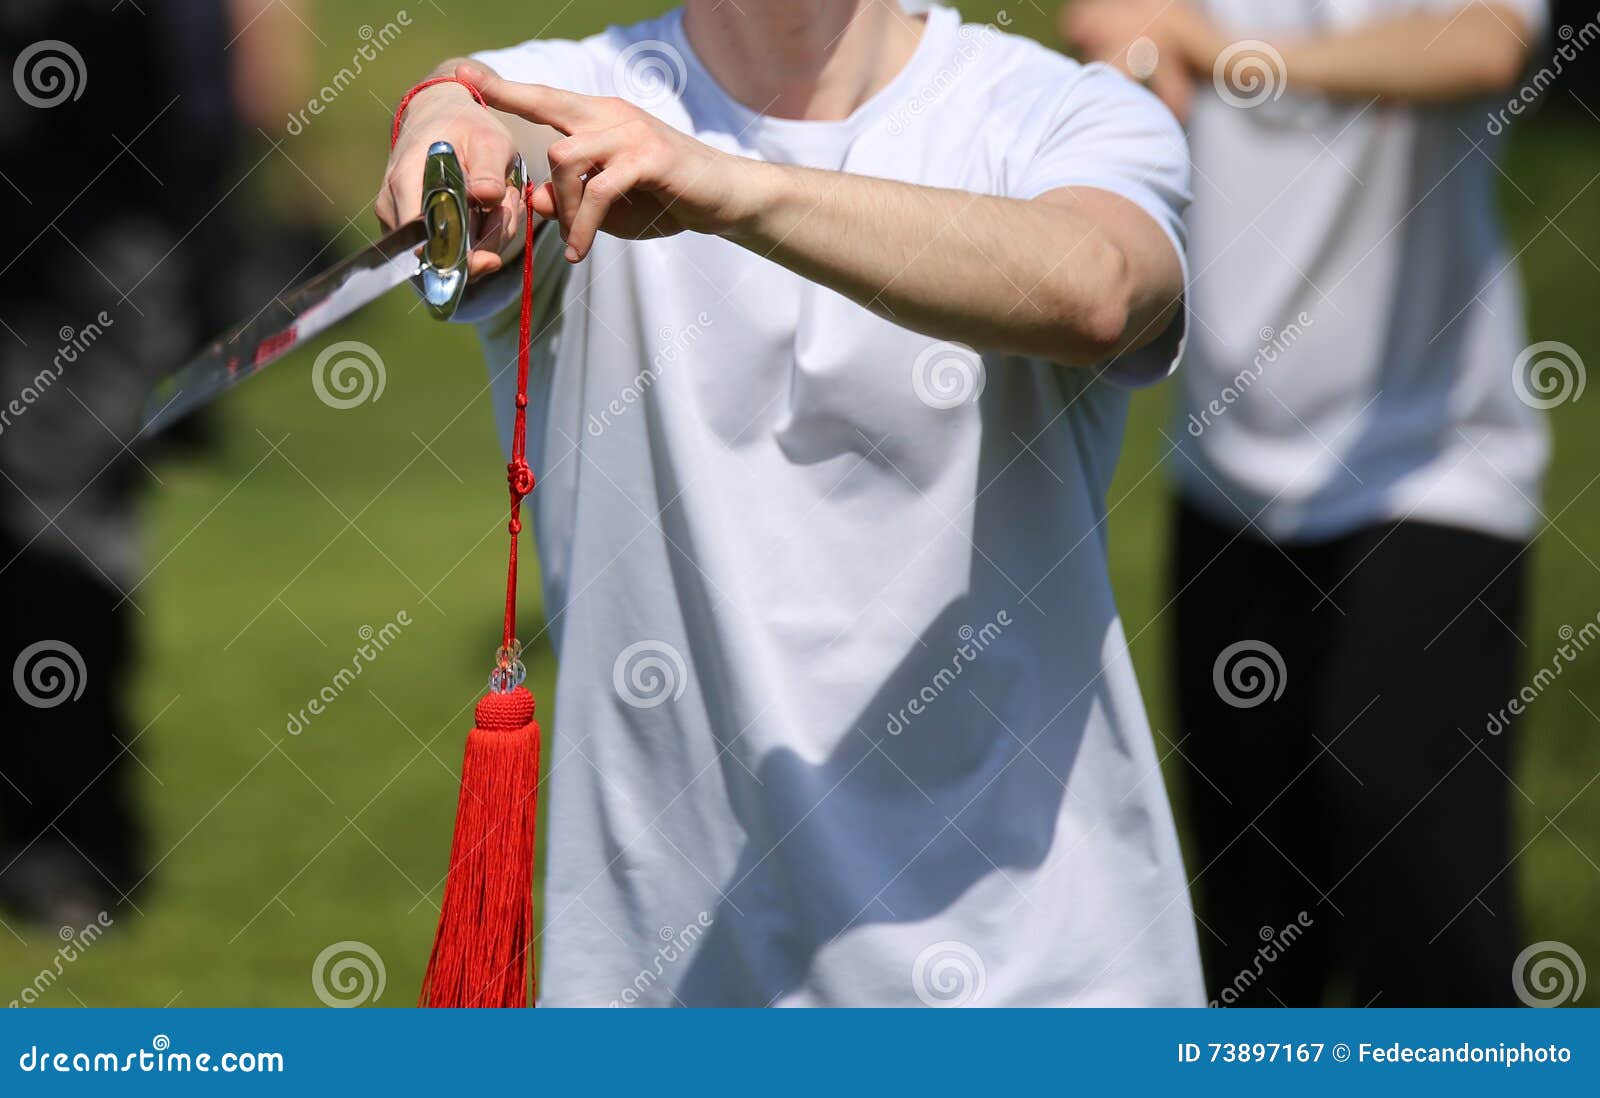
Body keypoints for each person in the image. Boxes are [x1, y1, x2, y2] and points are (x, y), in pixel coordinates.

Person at [379, 0, 1203, 1005]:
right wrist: (439, 125)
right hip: (672, 983)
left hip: (1043, 977)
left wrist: (730, 190)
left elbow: (1099, 287)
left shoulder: (1062, 111)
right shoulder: (583, 101)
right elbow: (479, 110)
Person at [1062, 0, 1550, 1005]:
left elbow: (1483, 43)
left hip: (1431, 461)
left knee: (1420, 885)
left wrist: (1239, 61)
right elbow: (1110, 22)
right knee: (1253, 933)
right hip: (1226, 475)